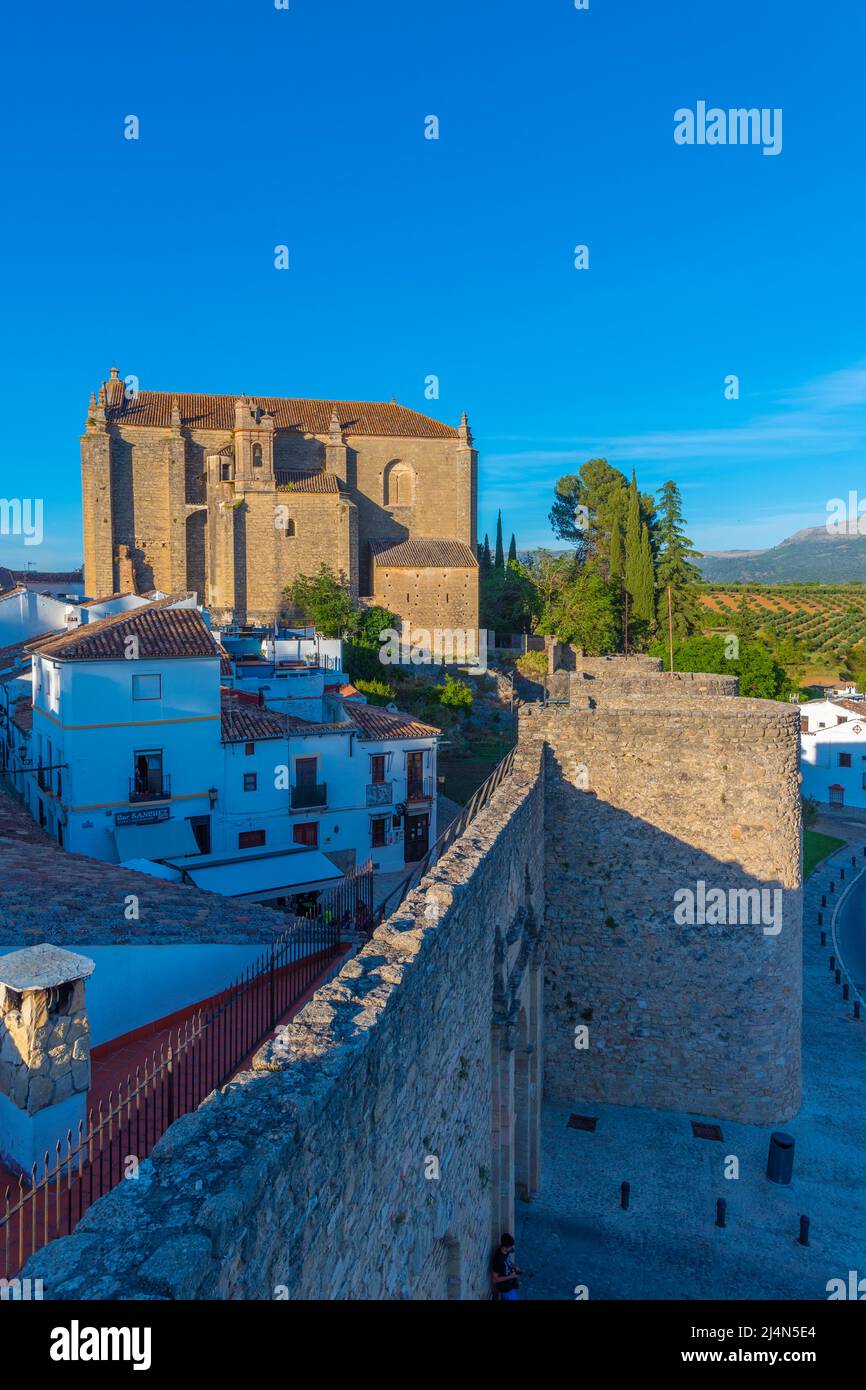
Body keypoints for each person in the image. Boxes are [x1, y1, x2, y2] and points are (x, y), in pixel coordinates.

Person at [491, 1233, 522, 1300]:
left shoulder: (506, 1252)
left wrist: (514, 1266)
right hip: (506, 1289)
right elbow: (494, 1279)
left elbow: (507, 1262)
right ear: (505, 1247)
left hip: (511, 1285)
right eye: (510, 1247)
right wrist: (510, 1276)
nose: (511, 1248)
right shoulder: (498, 1260)